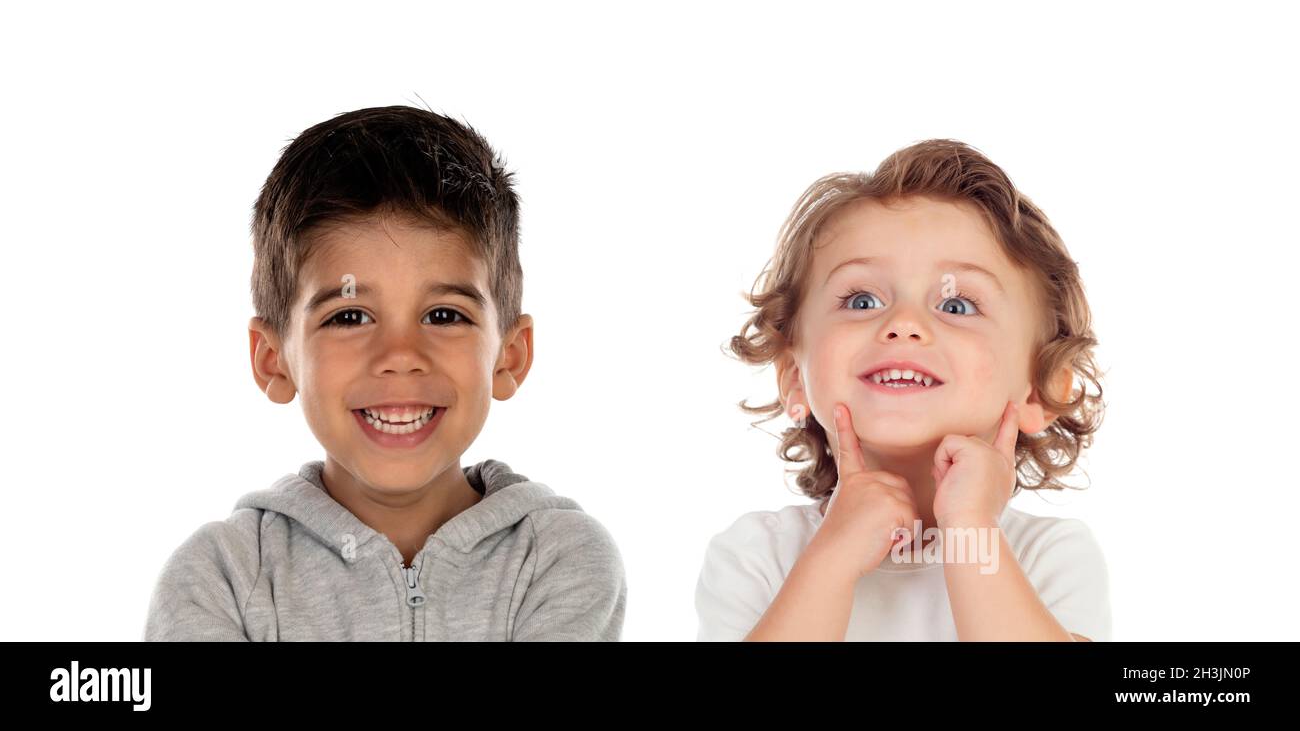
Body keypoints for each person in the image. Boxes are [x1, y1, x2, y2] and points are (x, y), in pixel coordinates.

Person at [144, 105, 626, 641]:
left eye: (443, 315)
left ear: (509, 356)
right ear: (273, 359)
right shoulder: (220, 580)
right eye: (348, 316)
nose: (399, 354)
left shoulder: (559, 558)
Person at [696, 139, 1110, 641]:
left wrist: (970, 529)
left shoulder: (1051, 555)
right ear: (792, 375)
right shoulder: (756, 553)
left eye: (957, 307)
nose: (904, 323)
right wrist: (833, 558)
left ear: (1038, 391)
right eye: (862, 299)